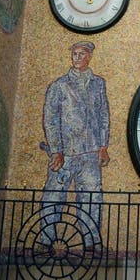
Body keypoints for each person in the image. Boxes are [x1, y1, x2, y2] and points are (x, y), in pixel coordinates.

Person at [40, 42, 110, 249]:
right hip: (65, 154)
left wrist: (103, 146)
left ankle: (92, 243)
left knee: (91, 199)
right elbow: (50, 119)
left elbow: (103, 114)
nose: (77, 58)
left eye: (81, 54)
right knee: (53, 197)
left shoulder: (98, 83)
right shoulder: (59, 85)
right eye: (74, 54)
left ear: (89, 57)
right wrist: (56, 150)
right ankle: (46, 241)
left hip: (90, 153)